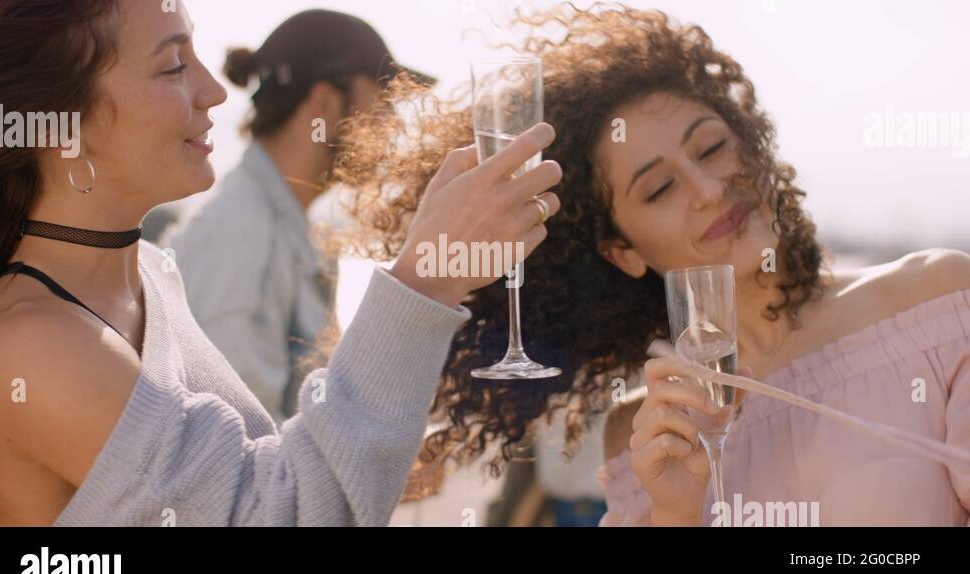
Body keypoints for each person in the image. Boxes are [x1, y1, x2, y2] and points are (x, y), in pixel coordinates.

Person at [333, 4, 970, 525]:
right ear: (622, 253)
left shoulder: (937, 300)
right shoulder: (641, 432)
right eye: (659, 189)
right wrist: (675, 512)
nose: (709, 188)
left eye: (713, 147)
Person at [0, 0, 562, 526]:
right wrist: (427, 278)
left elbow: (252, 477)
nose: (214, 91)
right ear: (64, 119)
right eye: (173, 66)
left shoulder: (150, 272)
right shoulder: (31, 345)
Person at [167, 10, 435, 425]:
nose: (394, 122)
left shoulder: (285, 223)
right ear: (326, 102)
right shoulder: (245, 238)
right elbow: (246, 459)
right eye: (383, 99)